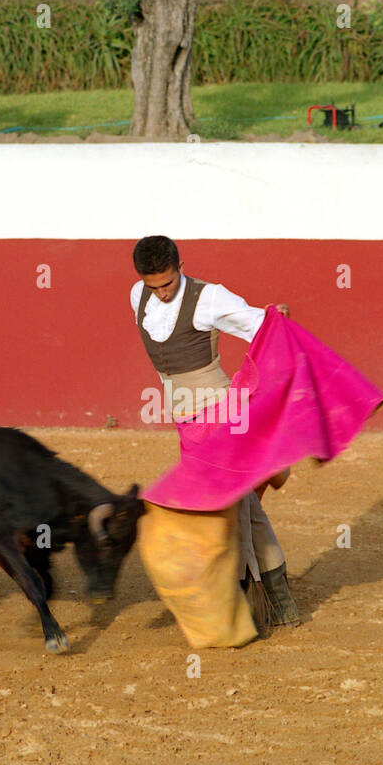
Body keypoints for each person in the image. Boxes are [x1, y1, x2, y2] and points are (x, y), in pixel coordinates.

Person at [130, 235, 302, 627]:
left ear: (181, 267)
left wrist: (276, 318)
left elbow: (259, 326)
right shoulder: (136, 296)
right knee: (243, 503)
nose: (161, 292)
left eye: (168, 283)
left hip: (222, 412)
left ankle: (246, 602)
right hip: (186, 419)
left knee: (228, 504)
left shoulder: (210, 298)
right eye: (153, 285)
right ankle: (279, 598)